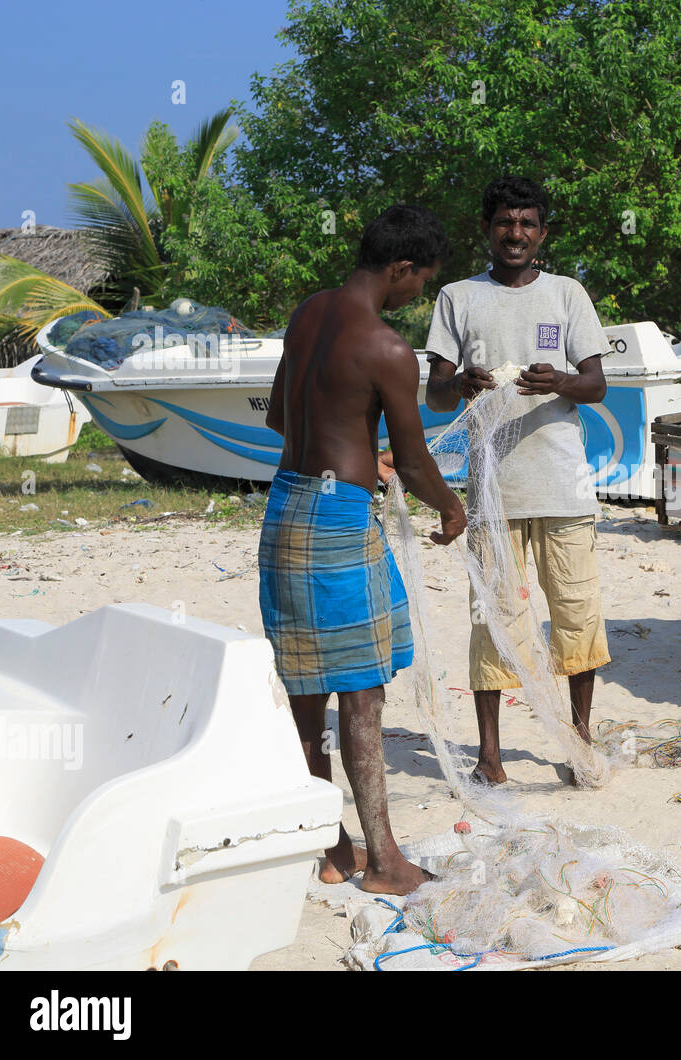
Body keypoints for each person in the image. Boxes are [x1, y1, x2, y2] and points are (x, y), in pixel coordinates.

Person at [260, 204, 466, 894]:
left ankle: (327, 844)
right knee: (362, 691)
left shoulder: (308, 313)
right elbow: (412, 462)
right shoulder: (386, 348)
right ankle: (383, 860)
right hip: (339, 524)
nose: (416, 297)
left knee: (305, 686)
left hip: (286, 507)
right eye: (419, 283)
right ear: (400, 269)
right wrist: (451, 505)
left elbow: (283, 417)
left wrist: (345, 441)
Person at [382, 175, 610, 785]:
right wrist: (460, 384)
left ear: (542, 232)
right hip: (491, 492)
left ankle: (581, 742)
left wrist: (559, 381)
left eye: (527, 224)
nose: (516, 234)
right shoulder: (457, 297)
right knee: (493, 620)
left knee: (577, 615)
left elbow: (596, 384)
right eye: (505, 223)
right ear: (487, 230)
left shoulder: (568, 294)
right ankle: (489, 757)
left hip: (563, 486)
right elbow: (434, 395)